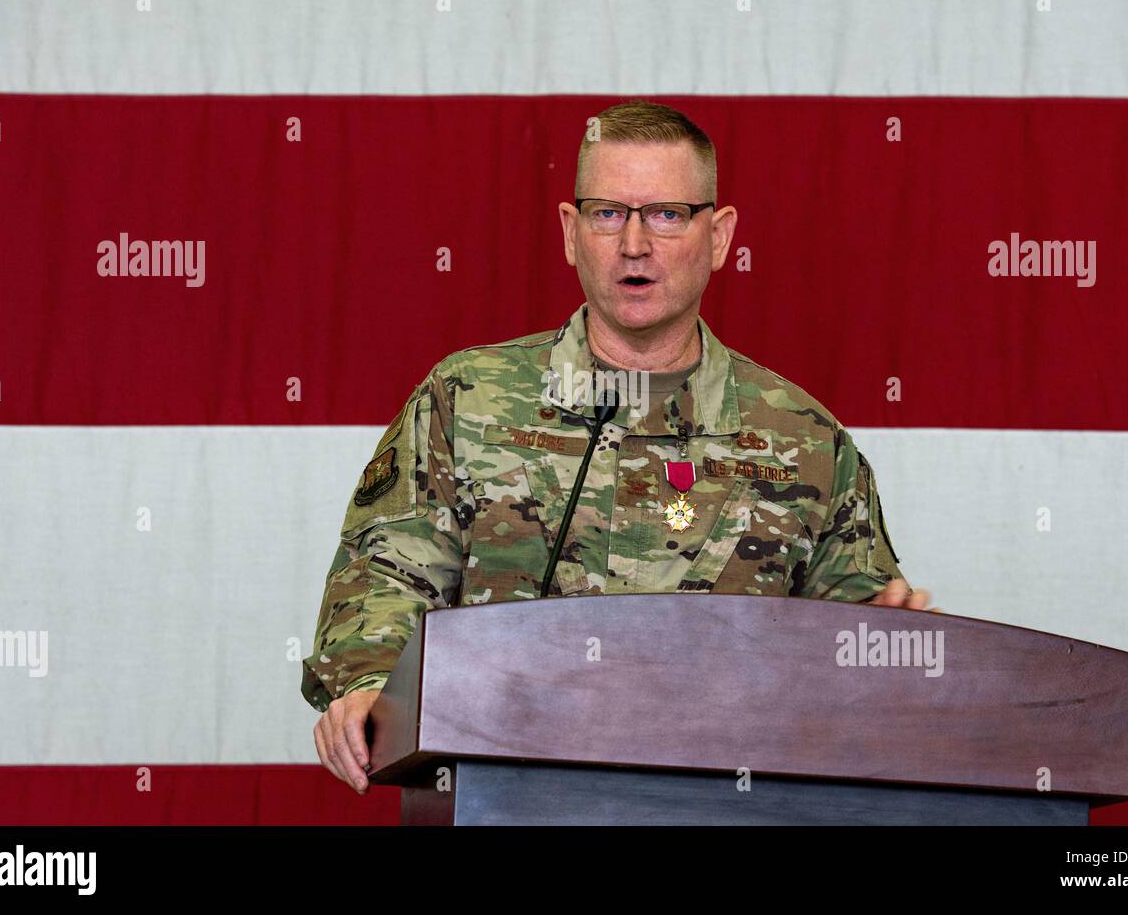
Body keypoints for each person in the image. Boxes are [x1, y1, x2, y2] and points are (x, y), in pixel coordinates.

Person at [305, 100, 936, 794]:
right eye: (609, 213)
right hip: (502, 797)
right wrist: (371, 687)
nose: (635, 244)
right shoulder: (466, 400)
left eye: (667, 213)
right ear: (571, 233)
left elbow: (856, 645)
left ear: (720, 236)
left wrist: (885, 648)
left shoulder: (804, 440)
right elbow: (384, 584)